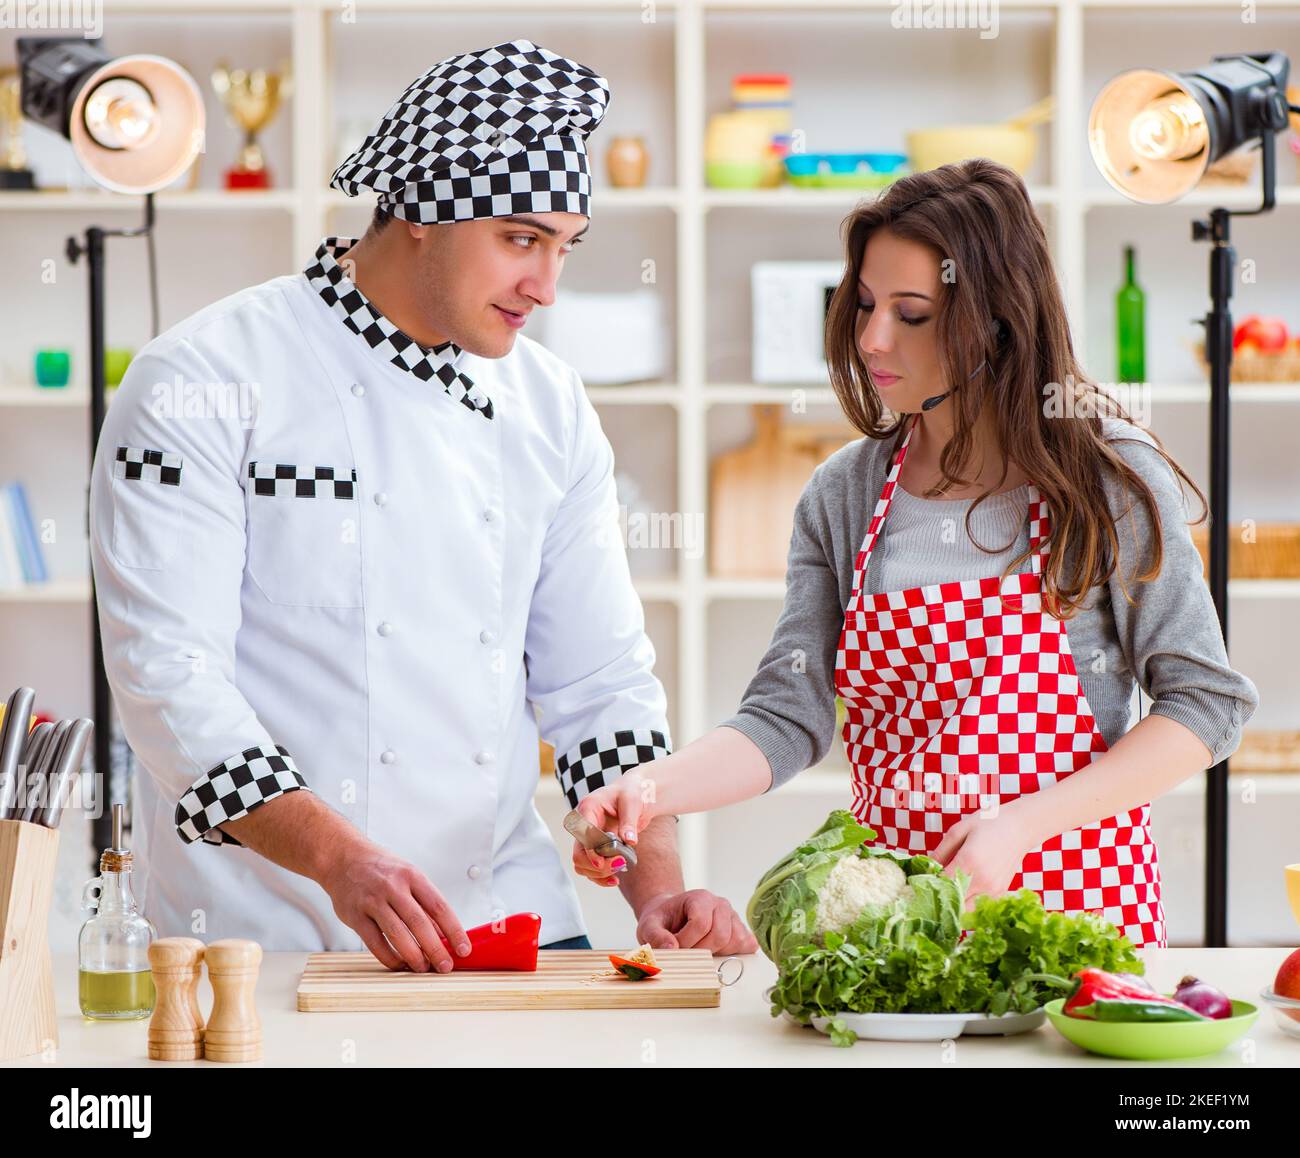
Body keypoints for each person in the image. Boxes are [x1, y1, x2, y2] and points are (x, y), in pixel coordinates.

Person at [89, 39, 755, 972]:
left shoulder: (550, 404)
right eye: (520, 238)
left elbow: (598, 684)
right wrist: (340, 861)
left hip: (507, 917)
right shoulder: (202, 379)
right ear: (417, 209)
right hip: (273, 932)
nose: (546, 286)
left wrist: (657, 889)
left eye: (564, 247)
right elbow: (169, 679)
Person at [571, 158, 1260, 949]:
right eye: (865, 304)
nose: (872, 338)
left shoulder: (1105, 476)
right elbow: (788, 715)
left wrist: (1018, 827)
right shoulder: (845, 494)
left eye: (913, 314)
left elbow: (1204, 704)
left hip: (1078, 927)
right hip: (895, 937)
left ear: (996, 321)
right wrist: (649, 790)